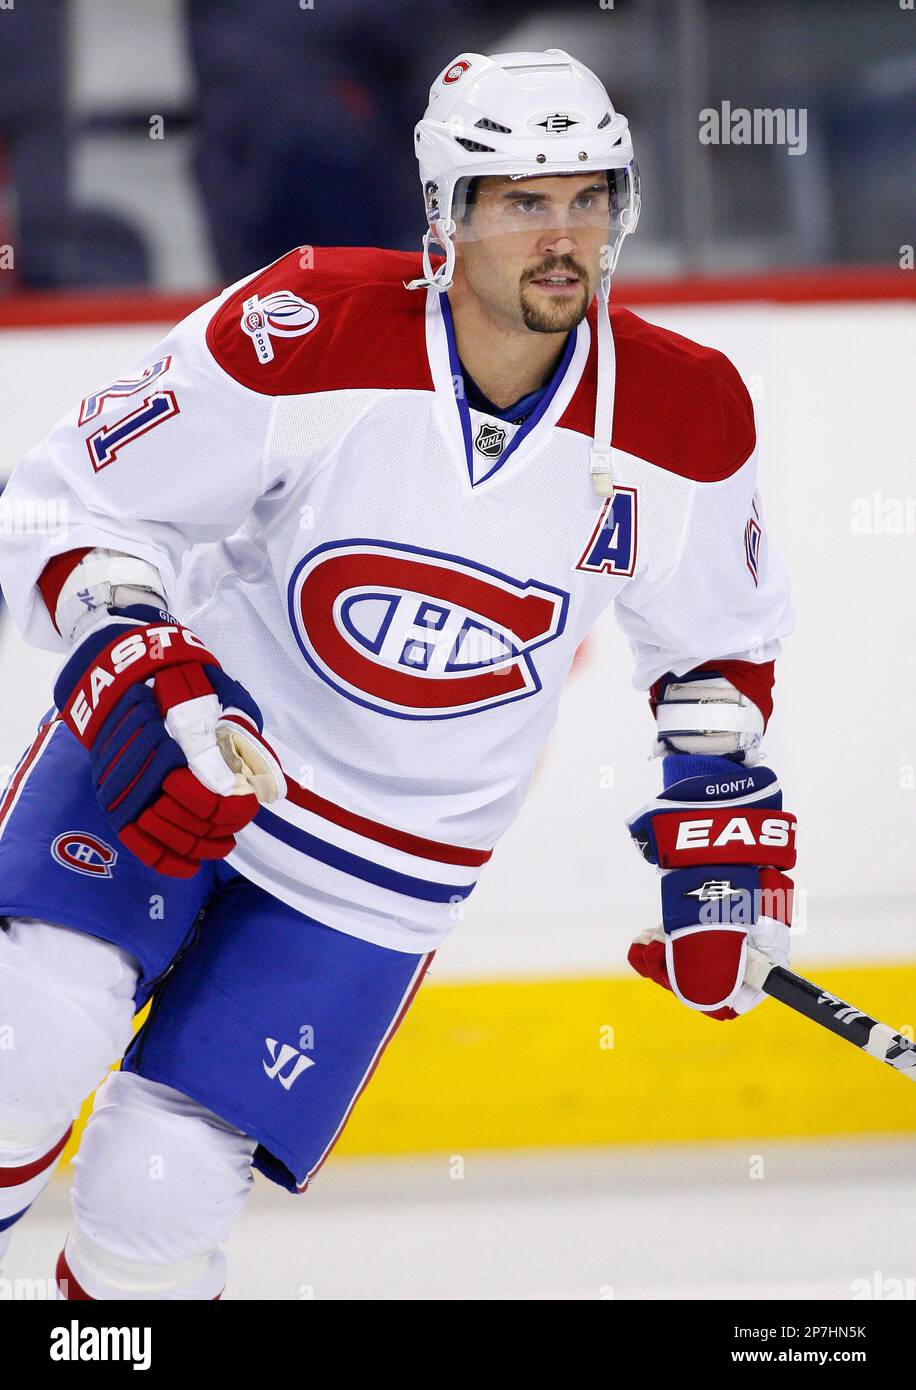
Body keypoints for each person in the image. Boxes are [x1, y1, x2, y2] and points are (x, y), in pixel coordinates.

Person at [0, 49, 796, 1300]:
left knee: (163, 1201)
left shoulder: (686, 415)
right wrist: (137, 659)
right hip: (179, 752)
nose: (562, 236)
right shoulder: (304, 326)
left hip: (383, 866)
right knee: (23, 1045)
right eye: (523, 201)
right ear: (447, 212)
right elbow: (66, 508)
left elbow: (711, 656)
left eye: (587, 197)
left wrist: (724, 860)